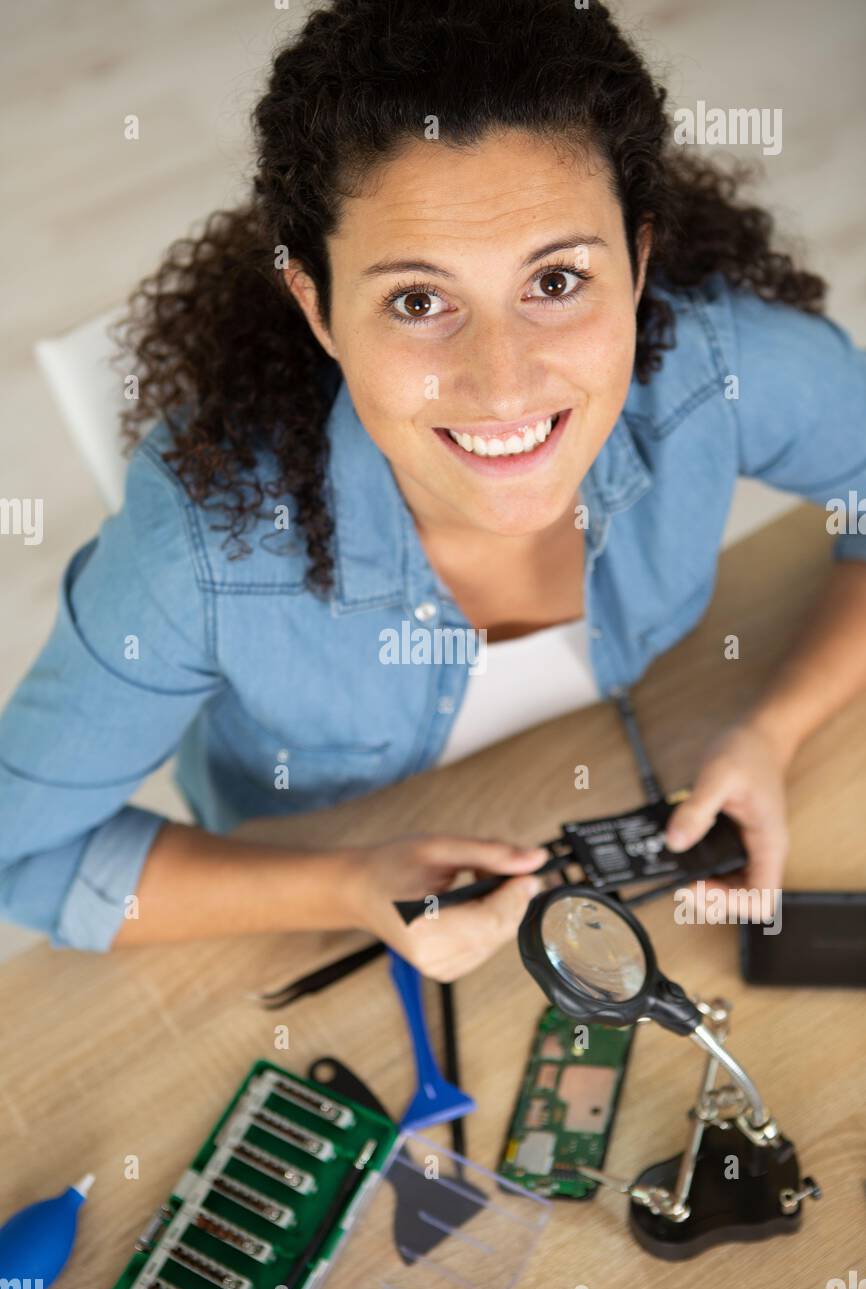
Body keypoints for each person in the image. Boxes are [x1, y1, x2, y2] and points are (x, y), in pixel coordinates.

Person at [2, 0, 865, 980]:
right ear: (317, 307)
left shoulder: (715, 362)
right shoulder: (198, 552)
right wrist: (347, 888)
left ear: (636, 262)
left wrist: (774, 728)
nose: (502, 384)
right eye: (418, 300)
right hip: (327, 914)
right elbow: (20, 851)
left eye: (554, 281)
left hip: (627, 771)